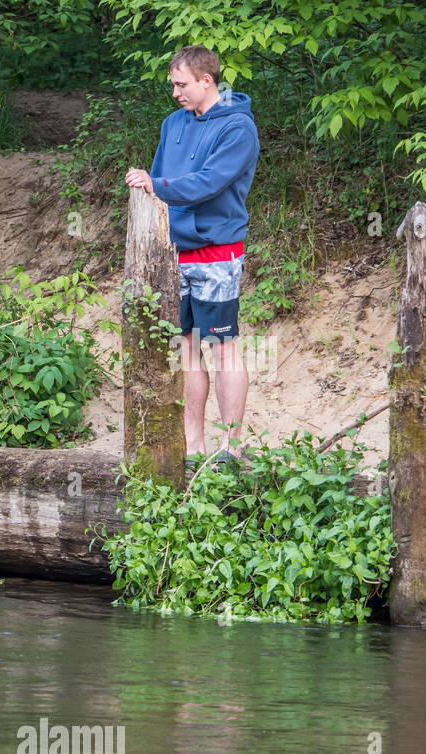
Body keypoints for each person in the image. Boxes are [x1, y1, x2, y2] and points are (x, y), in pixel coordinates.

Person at [125, 44, 260, 459]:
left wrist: (157, 186)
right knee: (184, 346)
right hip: (173, 254)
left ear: (207, 81)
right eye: (172, 85)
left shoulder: (238, 128)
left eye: (181, 84)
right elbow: (159, 177)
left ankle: (231, 448)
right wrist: (153, 187)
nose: (175, 92)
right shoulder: (173, 124)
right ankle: (194, 446)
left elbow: (208, 183)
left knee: (223, 346)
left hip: (217, 253)